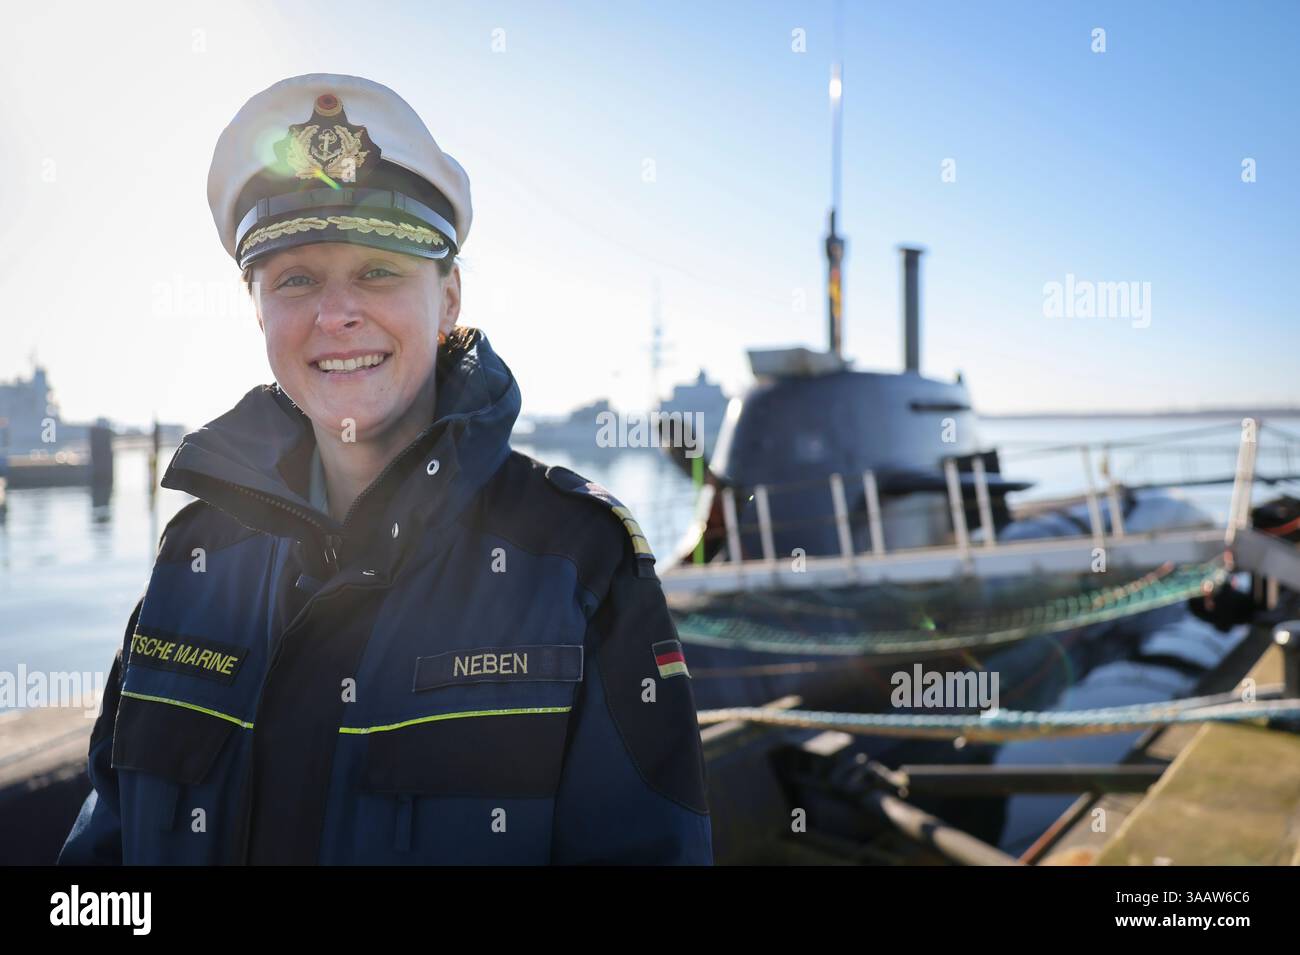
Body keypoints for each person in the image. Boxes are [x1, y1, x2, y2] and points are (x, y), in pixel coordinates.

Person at [57, 73, 712, 865]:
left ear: (449, 301)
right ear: (256, 308)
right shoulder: (191, 563)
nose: (336, 314)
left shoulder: (577, 565)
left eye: (379, 271)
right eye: (296, 278)